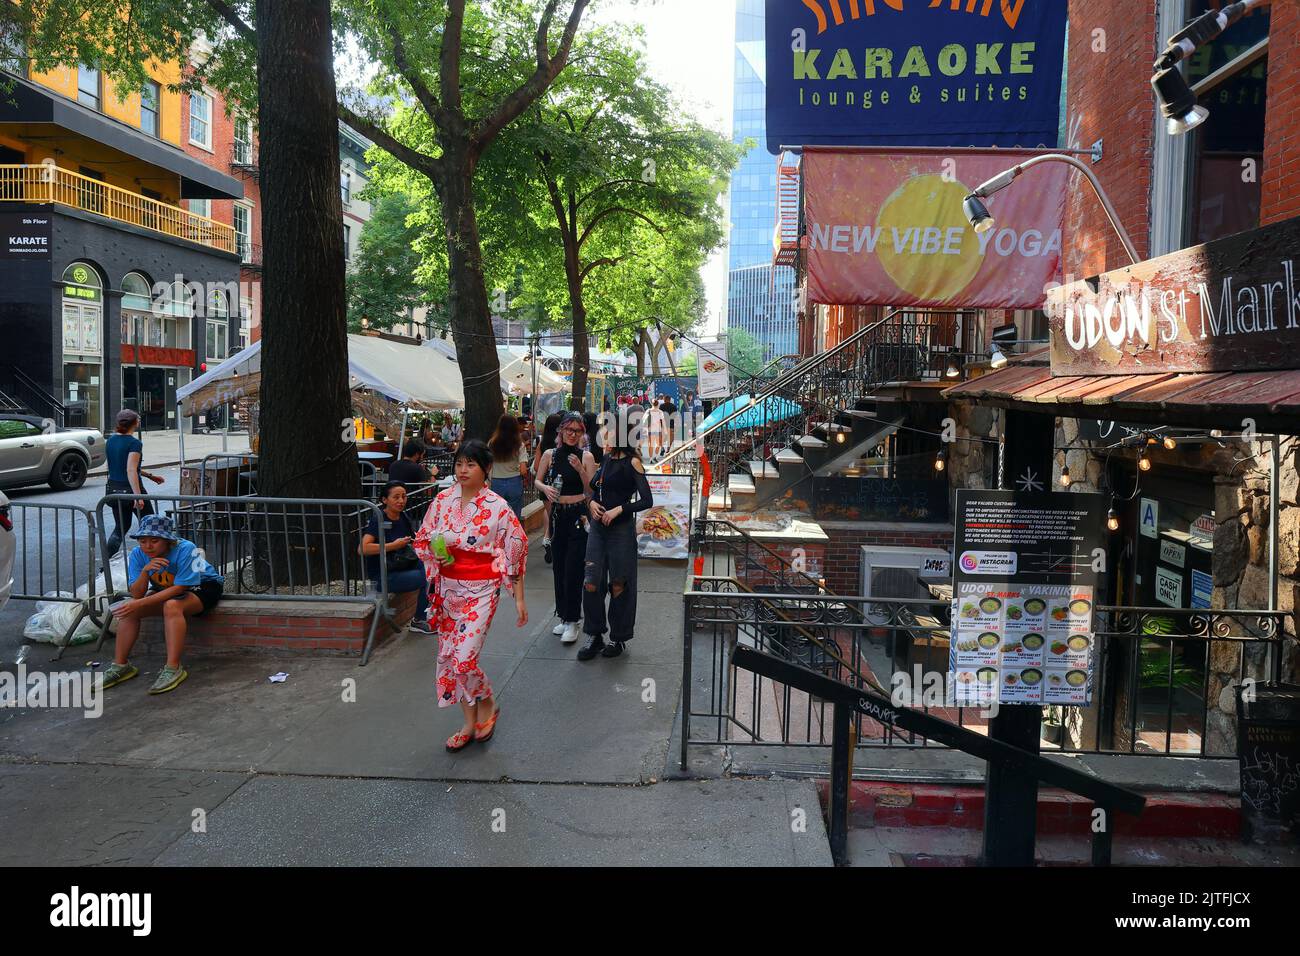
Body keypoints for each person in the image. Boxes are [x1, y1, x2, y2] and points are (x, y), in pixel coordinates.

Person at [414, 440, 528, 752]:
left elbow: (514, 547)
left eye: (471, 464)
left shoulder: (497, 507)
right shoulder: (441, 501)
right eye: (459, 464)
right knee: (452, 659)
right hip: (448, 589)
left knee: (465, 659)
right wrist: (439, 547)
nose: (463, 470)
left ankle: (487, 701)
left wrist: (518, 596)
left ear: (486, 469)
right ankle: (468, 721)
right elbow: (423, 537)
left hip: (481, 589)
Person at [101, 515, 224, 694]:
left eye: (154, 540)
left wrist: (140, 603)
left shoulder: (185, 548)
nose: (148, 546)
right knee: (128, 610)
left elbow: (181, 587)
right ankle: (121, 666)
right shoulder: (137, 554)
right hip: (167, 587)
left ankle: (173, 668)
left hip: (203, 586)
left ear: (167, 541)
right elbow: (137, 593)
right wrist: (145, 572)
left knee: (171, 606)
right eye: (143, 541)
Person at [581, 417, 653, 660]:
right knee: (591, 581)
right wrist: (591, 504)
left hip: (621, 531)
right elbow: (592, 489)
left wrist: (619, 509)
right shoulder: (606, 460)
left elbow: (646, 500)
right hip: (598, 529)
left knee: (619, 584)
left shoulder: (633, 463)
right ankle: (594, 634)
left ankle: (618, 637)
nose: (603, 437)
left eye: (608, 433)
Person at [534, 412, 595, 645]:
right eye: (568, 430)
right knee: (559, 568)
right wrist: (546, 489)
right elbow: (537, 479)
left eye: (577, 431)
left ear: (582, 434)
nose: (572, 434)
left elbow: (591, 490)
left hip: (578, 515)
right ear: (560, 431)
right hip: (558, 515)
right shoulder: (550, 454)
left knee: (573, 570)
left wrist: (580, 469)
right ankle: (563, 615)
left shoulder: (586, 456)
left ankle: (573, 620)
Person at [361, 481, 432, 634]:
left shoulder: (403, 516)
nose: (401, 501)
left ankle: (428, 613)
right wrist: (393, 545)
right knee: (426, 577)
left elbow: (413, 541)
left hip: (402, 565)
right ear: (384, 500)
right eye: (396, 497)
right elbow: (363, 548)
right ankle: (419, 619)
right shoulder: (378, 519)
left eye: (404, 496)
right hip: (384, 575)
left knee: (432, 568)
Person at [104, 409, 163, 557]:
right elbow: (130, 469)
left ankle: (106, 562)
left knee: (121, 528)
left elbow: (120, 466)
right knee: (151, 524)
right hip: (131, 490)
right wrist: (138, 496)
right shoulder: (134, 443)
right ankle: (156, 559)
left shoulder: (110, 440)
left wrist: (150, 476)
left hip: (114, 490)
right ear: (135, 423)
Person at [533, 412, 563, 564]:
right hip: (560, 484)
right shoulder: (562, 442)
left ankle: (549, 541)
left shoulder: (542, 442)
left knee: (551, 514)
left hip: (545, 484)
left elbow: (537, 466)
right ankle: (552, 542)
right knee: (558, 517)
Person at [488, 413, 529, 520]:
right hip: (514, 482)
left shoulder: (492, 443)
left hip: (496, 482)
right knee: (514, 517)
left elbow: (488, 465)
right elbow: (523, 470)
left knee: (497, 516)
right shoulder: (519, 444)